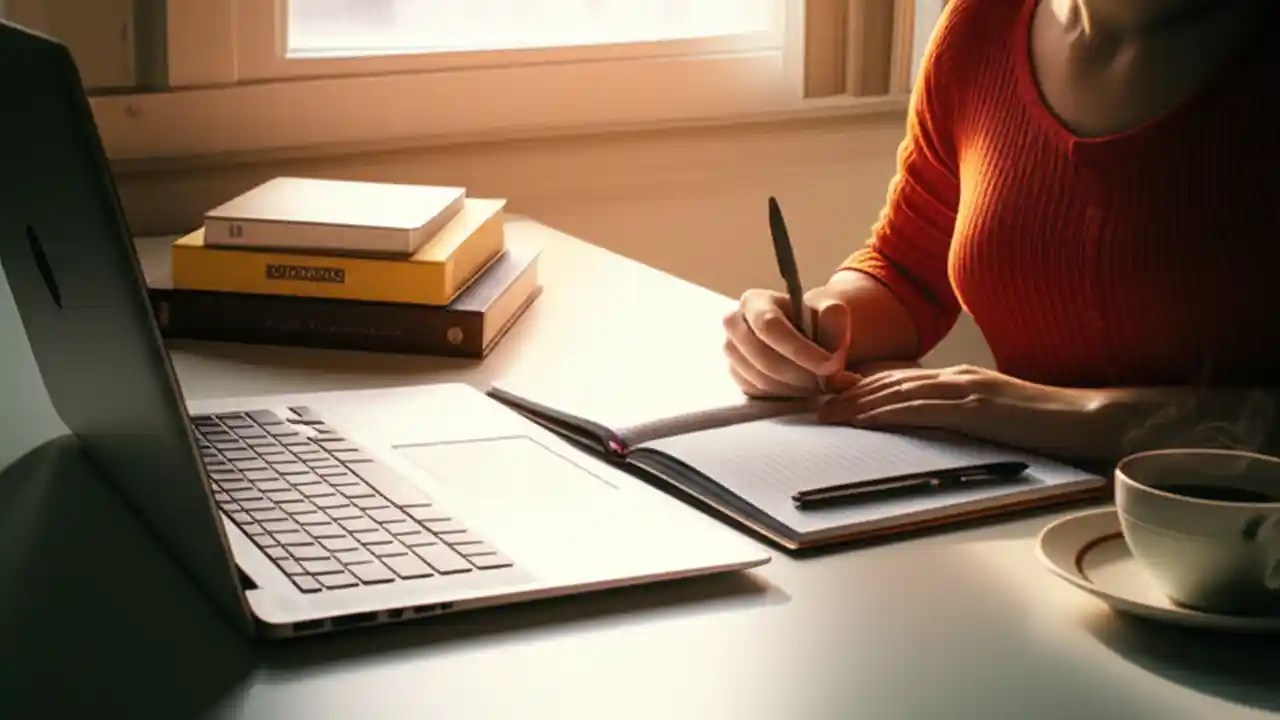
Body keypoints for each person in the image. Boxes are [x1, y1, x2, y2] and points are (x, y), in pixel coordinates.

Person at [723, 0, 1279, 466]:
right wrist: (810, 330)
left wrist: (1043, 411)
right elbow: (908, 271)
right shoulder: (982, 22)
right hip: (1023, 511)